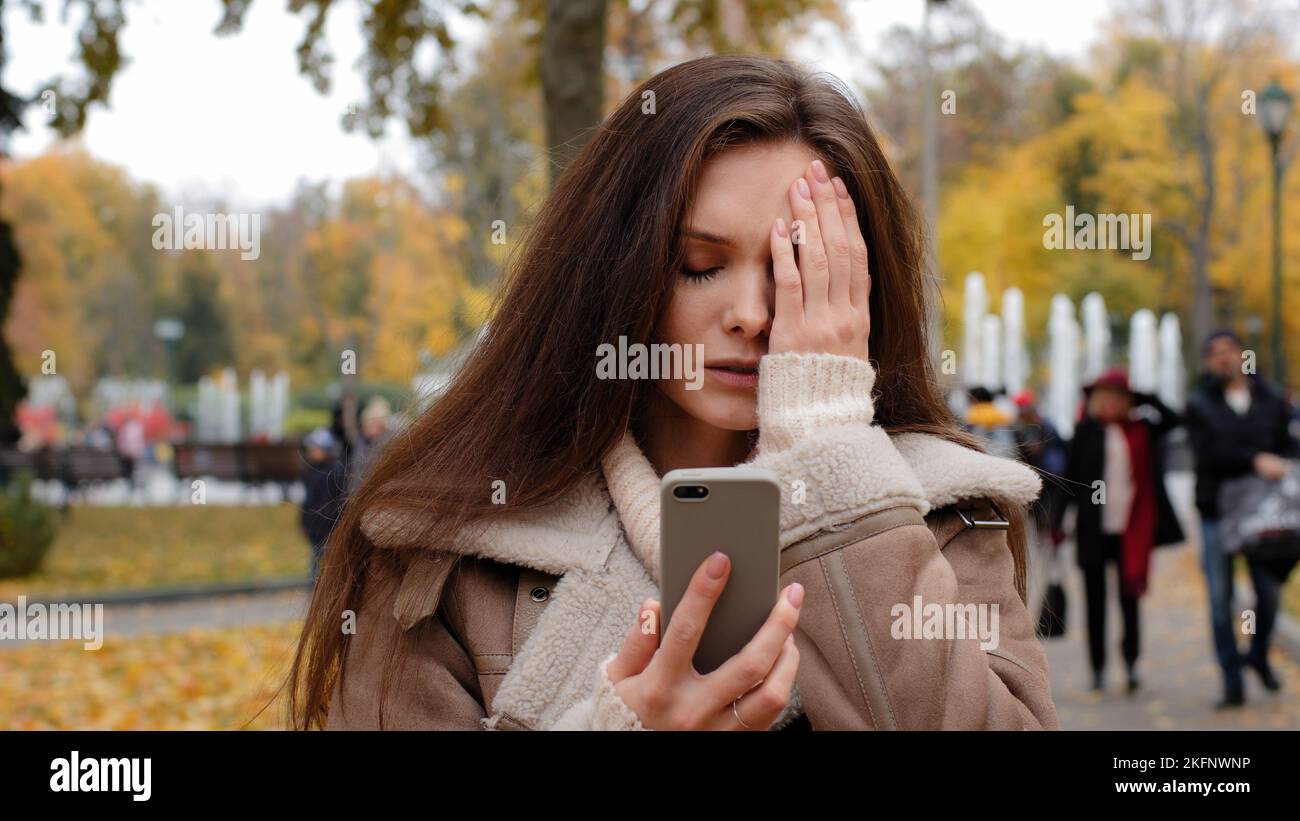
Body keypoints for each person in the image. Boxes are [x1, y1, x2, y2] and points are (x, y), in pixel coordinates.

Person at [287, 55, 1059, 731]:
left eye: (798, 268)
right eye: (698, 264)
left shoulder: (946, 518)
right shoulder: (447, 545)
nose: (752, 315)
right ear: (614, 276)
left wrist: (827, 447)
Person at [1185, 328, 1300, 709]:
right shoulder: (1199, 403)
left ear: (1240, 354)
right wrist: (1254, 458)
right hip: (1217, 513)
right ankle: (1231, 679)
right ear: (1207, 362)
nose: (1222, 358)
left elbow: (1286, 444)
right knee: (1221, 601)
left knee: (1267, 595)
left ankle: (1259, 655)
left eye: (1228, 350)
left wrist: (1281, 462)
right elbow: (1210, 453)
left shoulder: (1270, 398)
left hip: (1263, 512)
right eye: (1214, 353)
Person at [1053, 368, 1184, 694]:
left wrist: (1147, 396)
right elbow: (1069, 482)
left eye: (1118, 396)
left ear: (1128, 401)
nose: (1110, 401)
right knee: (1095, 603)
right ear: (1095, 400)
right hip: (1093, 529)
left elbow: (1174, 421)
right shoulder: (1086, 432)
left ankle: (1131, 663)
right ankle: (1097, 668)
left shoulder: (1142, 430)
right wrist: (1055, 523)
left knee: (1130, 600)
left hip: (1131, 530)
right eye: (1104, 395)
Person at [299, 427, 347, 584]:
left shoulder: (335, 471)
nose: (312, 452)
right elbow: (307, 500)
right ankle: (314, 584)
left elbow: (338, 500)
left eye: (315, 448)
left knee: (327, 562)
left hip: (327, 526)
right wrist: (304, 521)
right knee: (316, 559)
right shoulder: (310, 470)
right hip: (313, 525)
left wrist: (331, 521)